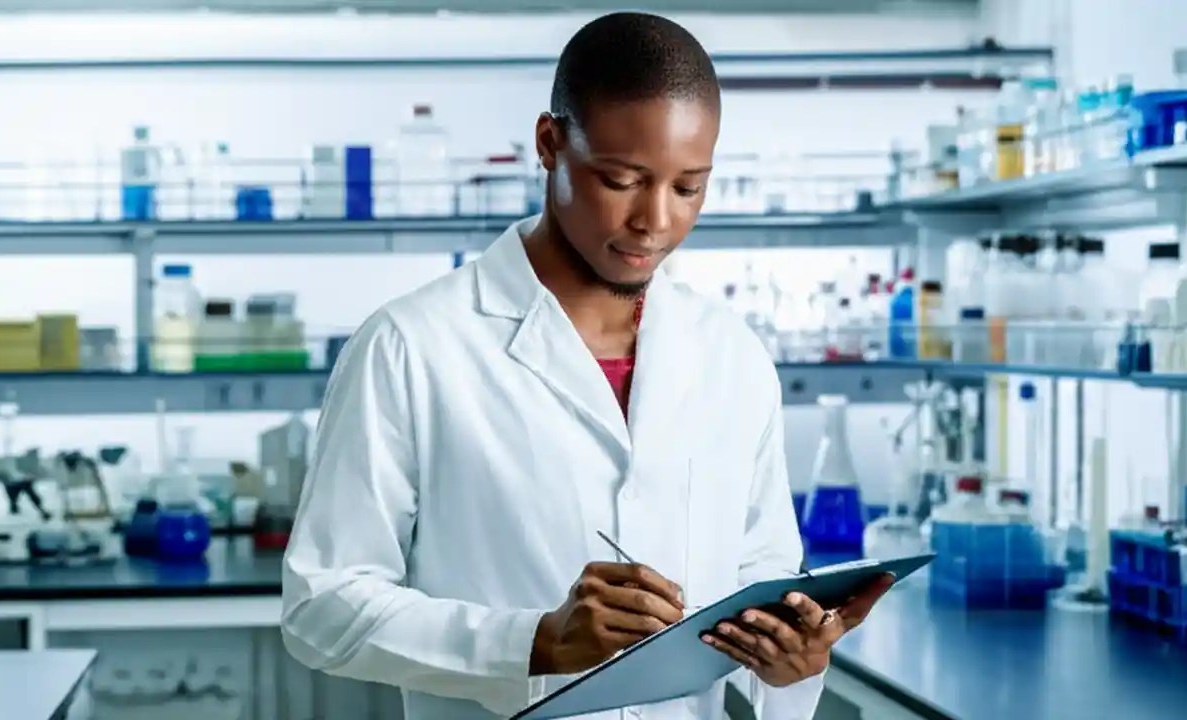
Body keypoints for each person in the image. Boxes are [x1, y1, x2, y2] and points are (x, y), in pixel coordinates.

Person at [282, 11, 893, 720]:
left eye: (688, 187)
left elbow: (763, 571)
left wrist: (791, 657)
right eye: (622, 179)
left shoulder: (731, 355)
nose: (655, 221)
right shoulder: (410, 347)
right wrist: (535, 641)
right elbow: (321, 606)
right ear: (550, 144)